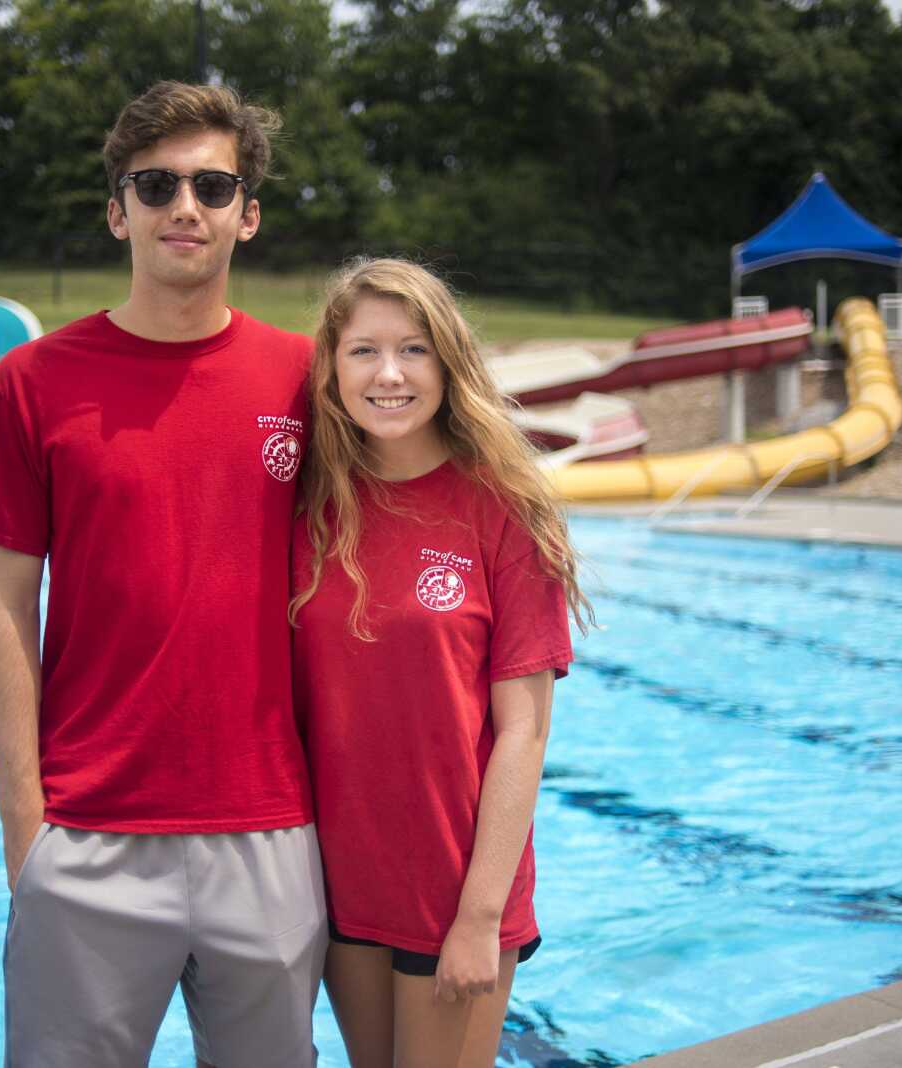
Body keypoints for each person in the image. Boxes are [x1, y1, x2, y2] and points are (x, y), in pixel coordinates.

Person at [0, 81, 326, 1067]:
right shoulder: (32, 384)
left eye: (211, 186)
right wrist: (26, 831)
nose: (183, 206)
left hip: (270, 829)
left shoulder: (308, 379)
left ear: (247, 213)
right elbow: (3, 611)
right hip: (87, 833)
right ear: (118, 212)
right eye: (155, 186)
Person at [289, 259, 593, 1067]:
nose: (388, 374)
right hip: (342, 887)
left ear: (448, 363)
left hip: (456, 888)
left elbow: (524, 732)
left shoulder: (503, 508)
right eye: (364, 351)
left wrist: (480, 917)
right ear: (332, 368)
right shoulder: (311, 505)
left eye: (413, 349)